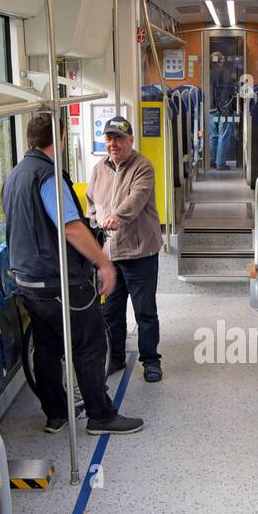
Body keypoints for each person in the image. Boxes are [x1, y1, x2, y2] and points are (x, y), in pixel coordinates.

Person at [1, 112, 143, 435]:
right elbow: (72, 229)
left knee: (47, 348)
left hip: (27, 281)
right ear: (61, 137)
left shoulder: (13, 177)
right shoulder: (48, 176)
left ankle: (55, 414)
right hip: (59, 282)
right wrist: (104, 264)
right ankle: (100, 415)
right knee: (90, 342)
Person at [85, 116, 163, 382]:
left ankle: (151, 361)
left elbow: (136, 198)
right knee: (111, 312)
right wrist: (94, 217)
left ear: (131, 140)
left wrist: (117, 216)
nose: (113, 144)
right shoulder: (99, 169)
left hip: (140, 252)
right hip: (111, 255)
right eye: (109, 138)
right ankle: (115, 357)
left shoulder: (143, 167)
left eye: (119, 138)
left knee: (144, 310)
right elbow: (91, 200)